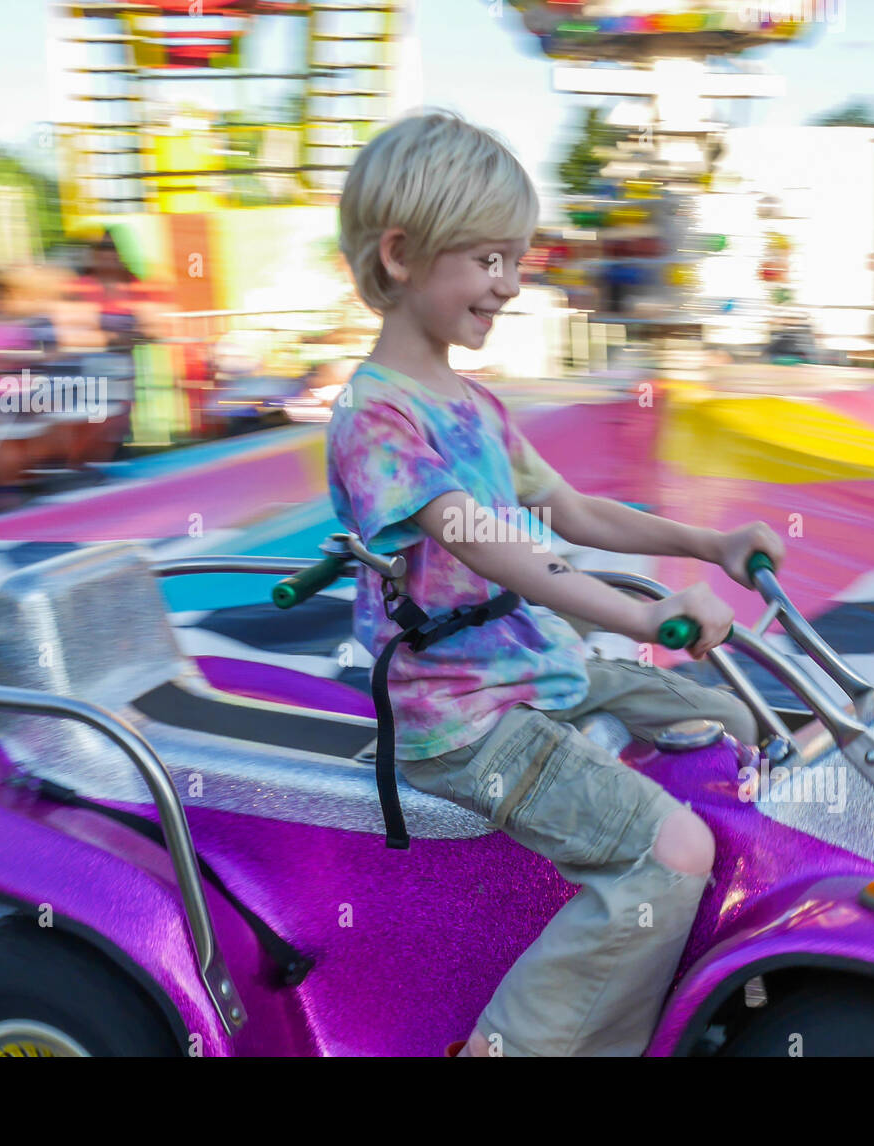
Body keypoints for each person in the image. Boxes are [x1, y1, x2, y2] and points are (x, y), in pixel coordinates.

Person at [327, 110, 785, 1058]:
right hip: (461, 717)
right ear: (404, 253)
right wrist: (650, 615)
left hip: (541, 667)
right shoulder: (375, 420)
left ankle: (711, 964)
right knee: (672, 852)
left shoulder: (477, 405)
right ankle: (515, 1045)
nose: (509, 282)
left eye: (514, 259)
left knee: (747, 729)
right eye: (488, 259)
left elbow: (572, 514)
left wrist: (710, 543)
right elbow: (493, 546)